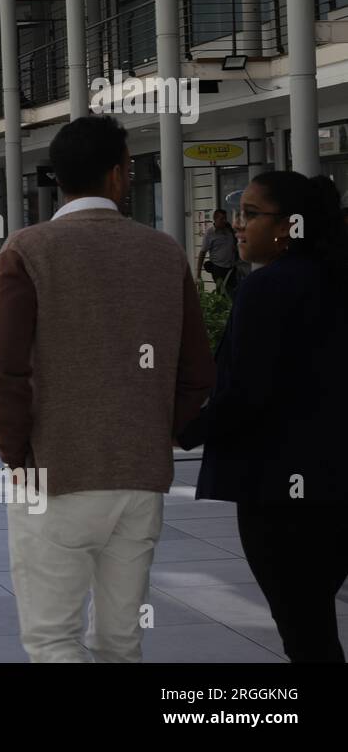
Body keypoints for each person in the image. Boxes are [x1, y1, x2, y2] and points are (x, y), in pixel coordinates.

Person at [0, 115, 214, 663]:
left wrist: (17, 454)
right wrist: (161, 431)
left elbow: (6, 369)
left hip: (55, 472)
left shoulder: (28, 250)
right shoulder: (164, 252)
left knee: (52, 639)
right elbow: (197, 370)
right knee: (120, 639)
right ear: (120, 174)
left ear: (57, 177)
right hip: (138, 475)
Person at [178, 171, 348, 663]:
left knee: (305, 628)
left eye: (251, 214)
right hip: (335, 484)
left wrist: (182, 430)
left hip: (281, 492)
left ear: (289, 225)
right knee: (312, 620)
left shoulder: (267, 288)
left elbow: (245, 393)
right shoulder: (334, 277)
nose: (237, 226)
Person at [197, 208, 240, 299]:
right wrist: (198, 274)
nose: (224, 221)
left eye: (225, 218)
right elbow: (202, 252)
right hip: (218, 268)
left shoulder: (229, 230)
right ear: (215, 219)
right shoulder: (210, 233)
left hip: (231, 268)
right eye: (222, 219)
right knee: (224, 294)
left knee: (235, 292)